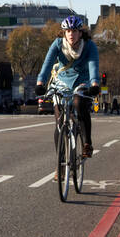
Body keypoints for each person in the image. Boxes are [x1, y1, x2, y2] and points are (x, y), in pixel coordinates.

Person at [36, 15, 101, 157]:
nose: (71, 34)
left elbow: (93, 66)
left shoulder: (89, 46)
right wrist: (40, 82)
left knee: (79, 103)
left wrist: (95, 83)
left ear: (80, 32)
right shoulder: (58, 44)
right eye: (68, 31)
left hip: (82, 81)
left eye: (75, 31)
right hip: (62, 82)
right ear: (64, 33)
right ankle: (60, 163)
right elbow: (47, 65)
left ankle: (87, 144)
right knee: (59, 123)